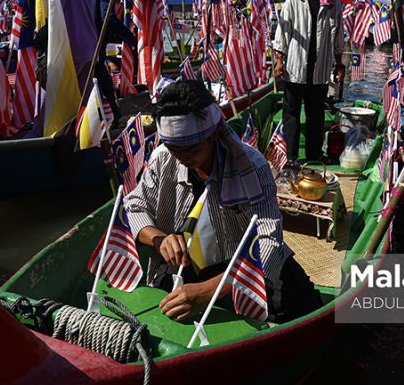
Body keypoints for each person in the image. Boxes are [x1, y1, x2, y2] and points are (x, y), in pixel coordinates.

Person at [123, 80, 322, 323]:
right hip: (186, 261)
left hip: (240, 266)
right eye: (175, 149)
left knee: (303, 305)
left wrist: (209, 291)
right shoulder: (164, 158)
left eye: (192, 150)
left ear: (215, 133)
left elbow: (268, 243)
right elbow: (134, 206)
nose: (182, 158)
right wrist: (159, 238)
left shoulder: (253, 166)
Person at [272, 0, 345, 162]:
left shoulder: (333, 4)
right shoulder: (293, 1)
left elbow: (338, 37)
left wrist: (339, 65)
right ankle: (290, 156)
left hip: (320, 70)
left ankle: (314, 155)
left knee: (316, 115)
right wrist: (279, 62)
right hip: (295, 68)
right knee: (291, 113)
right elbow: (282, 36)